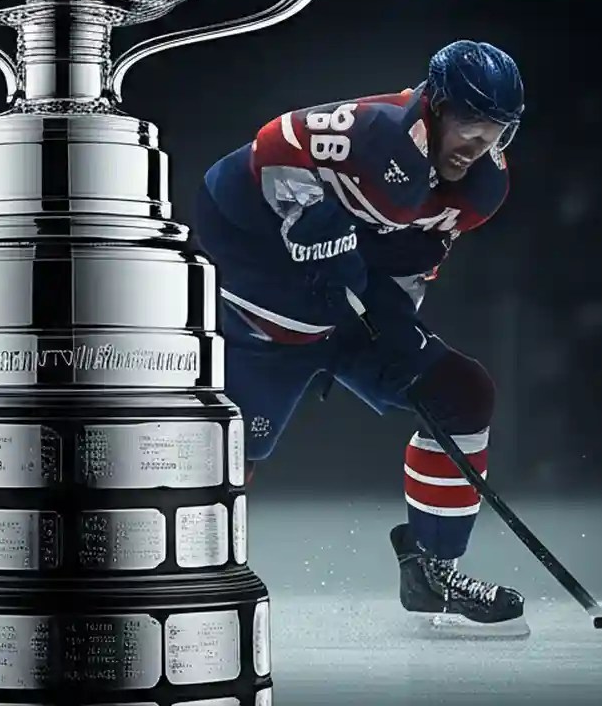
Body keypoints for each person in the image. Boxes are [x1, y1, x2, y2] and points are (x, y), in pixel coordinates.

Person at [192, 40, 527, 630]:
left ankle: (432, 571)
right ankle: (191, 573)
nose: (480, 145)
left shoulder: (484, 188)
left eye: (497, 130)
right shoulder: (371, 131)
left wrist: (398, 326)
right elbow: (272, 143)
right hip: (265, 276)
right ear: (439, 107)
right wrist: (303, 217)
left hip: (349, 288)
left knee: (463, 394)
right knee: (232, 448)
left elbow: (415, 261)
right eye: (472, 123)